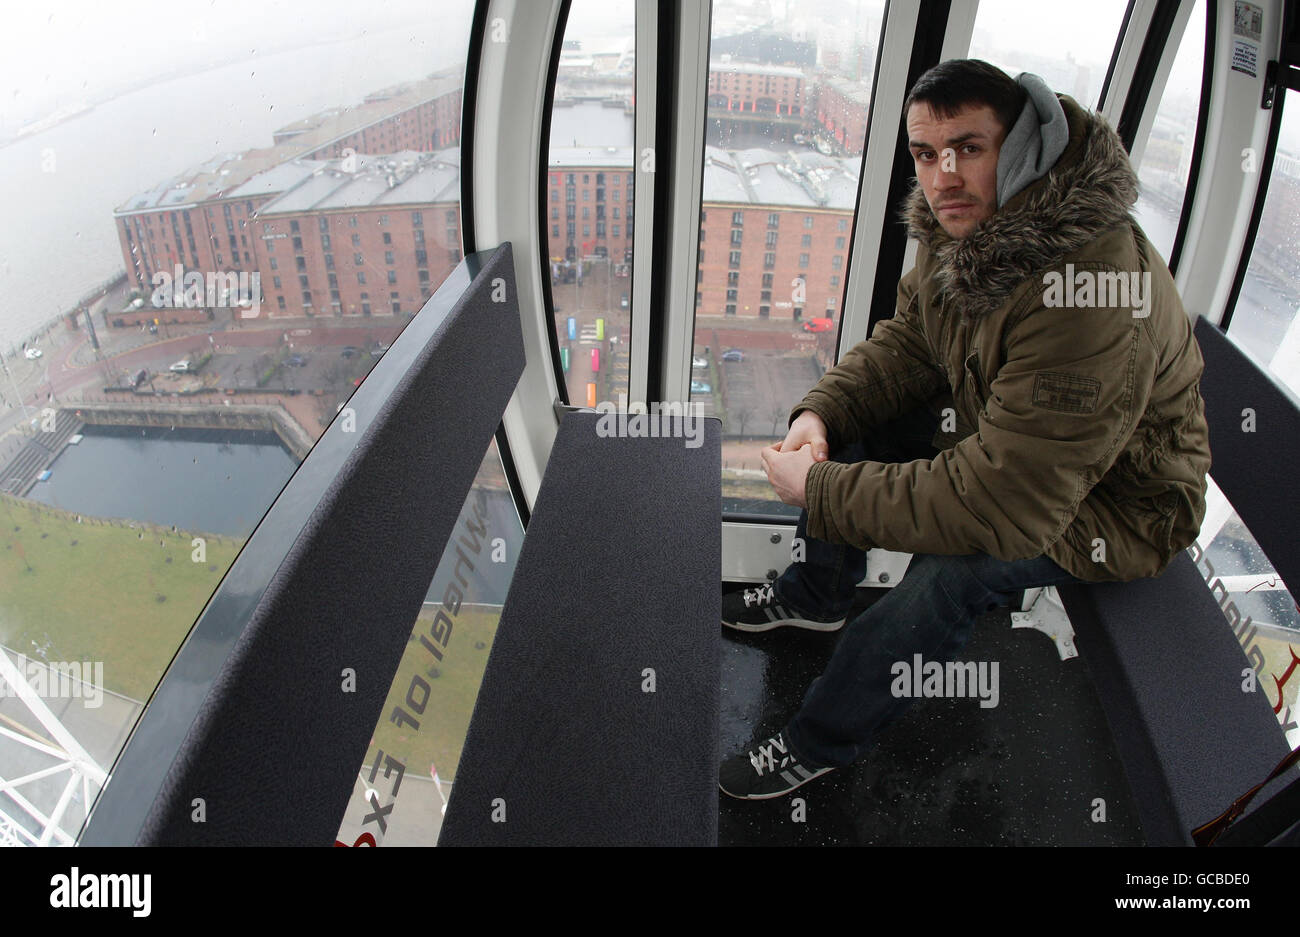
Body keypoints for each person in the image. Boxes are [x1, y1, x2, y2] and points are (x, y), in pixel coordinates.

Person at [718, 59, 1212, 800]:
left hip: (1120, 502)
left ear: (1019, 149)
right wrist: (820, 415)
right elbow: (911, 344)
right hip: (1028, 443)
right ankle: (817, 594)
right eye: (925, 154)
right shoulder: (965, 221)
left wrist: (821, 488)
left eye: (968, 147)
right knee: (860, 423)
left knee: (949, 577)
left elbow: (1003, 503)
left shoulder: (1096, 292)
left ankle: (819, 738)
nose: (943, 175)